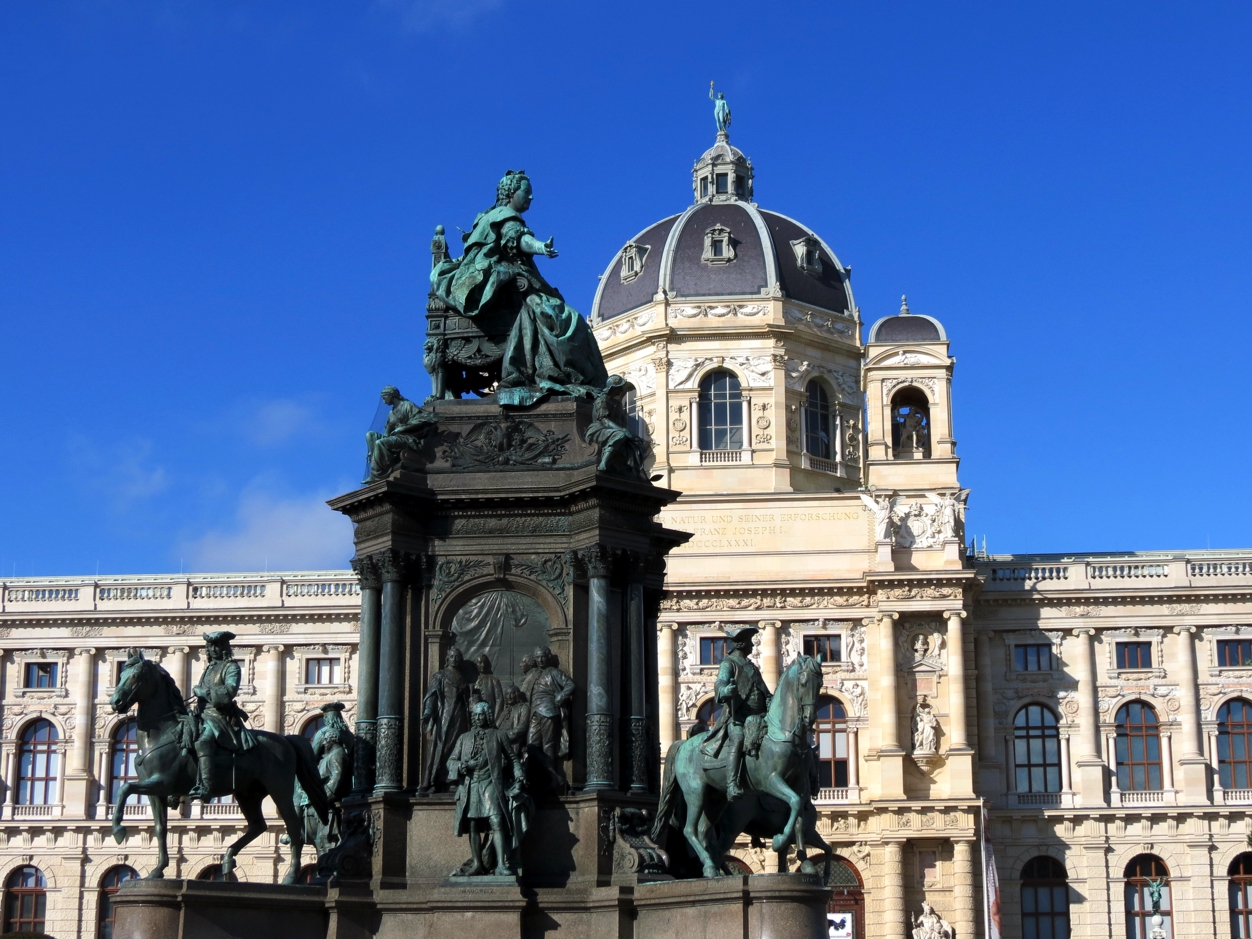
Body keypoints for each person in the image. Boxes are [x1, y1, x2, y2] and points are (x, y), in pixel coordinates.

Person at [430, 170, 609, 407]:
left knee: (557, 310)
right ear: (511, 193)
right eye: (527, 191)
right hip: (503, 291)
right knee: (566, 319)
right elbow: (517, 240)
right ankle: (565, 373)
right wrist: (541, 247)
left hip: (498, 286)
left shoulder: (488, 216)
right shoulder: (505, 216)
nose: (531, 197)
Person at [448, 701, 530, 877]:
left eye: (481, 714)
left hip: (491, 783)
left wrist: (519, 775)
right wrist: (463, 765)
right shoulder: (464, 738)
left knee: (496, 821)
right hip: (471, 785)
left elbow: (513, 758)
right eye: (476, 715)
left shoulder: (498, 735)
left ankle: (500, 864)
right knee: (473, 824)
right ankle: (477, 863)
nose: (478, 718)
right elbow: (451, 761)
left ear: (488, 716)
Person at [702, 625, 772, 800]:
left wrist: (772, 701)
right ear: (741, 644)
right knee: (738, 738)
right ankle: (732, 784)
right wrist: (726, 691)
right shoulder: (729, 664)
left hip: (760, 717)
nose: (753, 646)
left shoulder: (752, 666)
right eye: (750, 642)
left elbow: (764, 691)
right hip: (738, 717)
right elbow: (720, 683)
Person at [188, 631, 256, 800]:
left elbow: (229, 692)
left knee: (203, 741)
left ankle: (206, 786)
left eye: (217, 646)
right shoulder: (209, 668)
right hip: (201, 713)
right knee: (181, 736)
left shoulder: (231, 667)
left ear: (224, 648)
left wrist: (203, 692)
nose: (213, 650)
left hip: (219, 716)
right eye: (210, 646)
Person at [420, 648, 470, 793]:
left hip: (460, 717)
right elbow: (432, 696)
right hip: (445, 717)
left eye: (457, 657)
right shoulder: (440, 676)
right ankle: (436, 780)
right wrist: (428, 712)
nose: (455, 659)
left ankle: (453, 779)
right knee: (442, 748)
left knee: (458, 748)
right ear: (447, 659)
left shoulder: (463, 678)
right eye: (452, 656)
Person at [364, 386, 438, 483]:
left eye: (384, 397)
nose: (384, 401)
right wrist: (372, 449)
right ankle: (380, 464)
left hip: (408, 437)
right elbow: (387, 434)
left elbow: (420, 419)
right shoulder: (391, 413)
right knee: (370, 435)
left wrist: (403, 428)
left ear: (391, 395)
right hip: (395, 437)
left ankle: (377, 474)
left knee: (379, 443)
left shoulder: (408, 405)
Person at [527, 646, 575, 791]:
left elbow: (570, 684)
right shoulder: (534, 675)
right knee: (531, 746)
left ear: (548, 657)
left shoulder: (554, 672)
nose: (540, 660)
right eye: (537, 657)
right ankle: (553, 777)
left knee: (548, 746)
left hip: (548, 711)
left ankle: (550, 782)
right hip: (534, 712)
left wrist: (561, 696)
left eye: (543, 656)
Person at [471, 654, 505, 726]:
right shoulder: (471, 681)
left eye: (484, 662)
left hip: (489, 719)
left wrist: (495, 719)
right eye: (480, 663)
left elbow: (499, 700)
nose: (483, 665)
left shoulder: (494, 680)